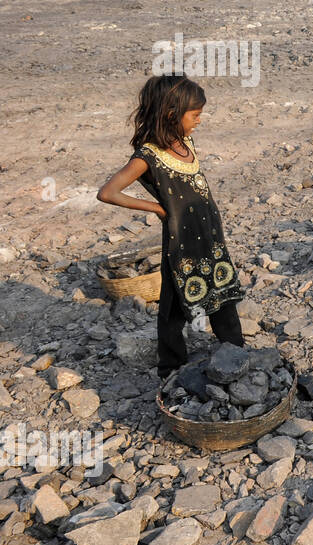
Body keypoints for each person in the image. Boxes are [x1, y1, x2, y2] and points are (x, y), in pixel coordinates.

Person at [98, 73, 245, 379]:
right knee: (175, 303)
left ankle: (235, 350)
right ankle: (170, 367)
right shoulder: (148, 156)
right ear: (170, 114)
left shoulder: (185, 142)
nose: (199, 121)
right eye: (195, 115)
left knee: (221, 289)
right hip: (180, 241)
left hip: (210, 236)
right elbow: (108, 192)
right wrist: (155, 207)